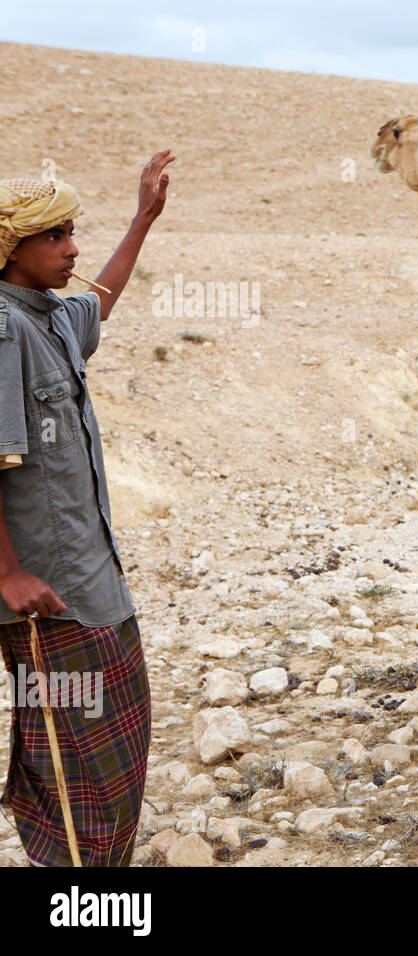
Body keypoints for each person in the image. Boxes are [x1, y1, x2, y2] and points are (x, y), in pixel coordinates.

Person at [0, 150, 174, 865]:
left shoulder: (47, 318)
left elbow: (96, 300)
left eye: (72, 231)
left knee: (117, 757)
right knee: (78, 787)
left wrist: (143, 219)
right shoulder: (4, 332)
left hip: (94, 585)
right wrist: (7, 576)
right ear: (12, 248)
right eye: (55, 236)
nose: (72, 248)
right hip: (48, 602)